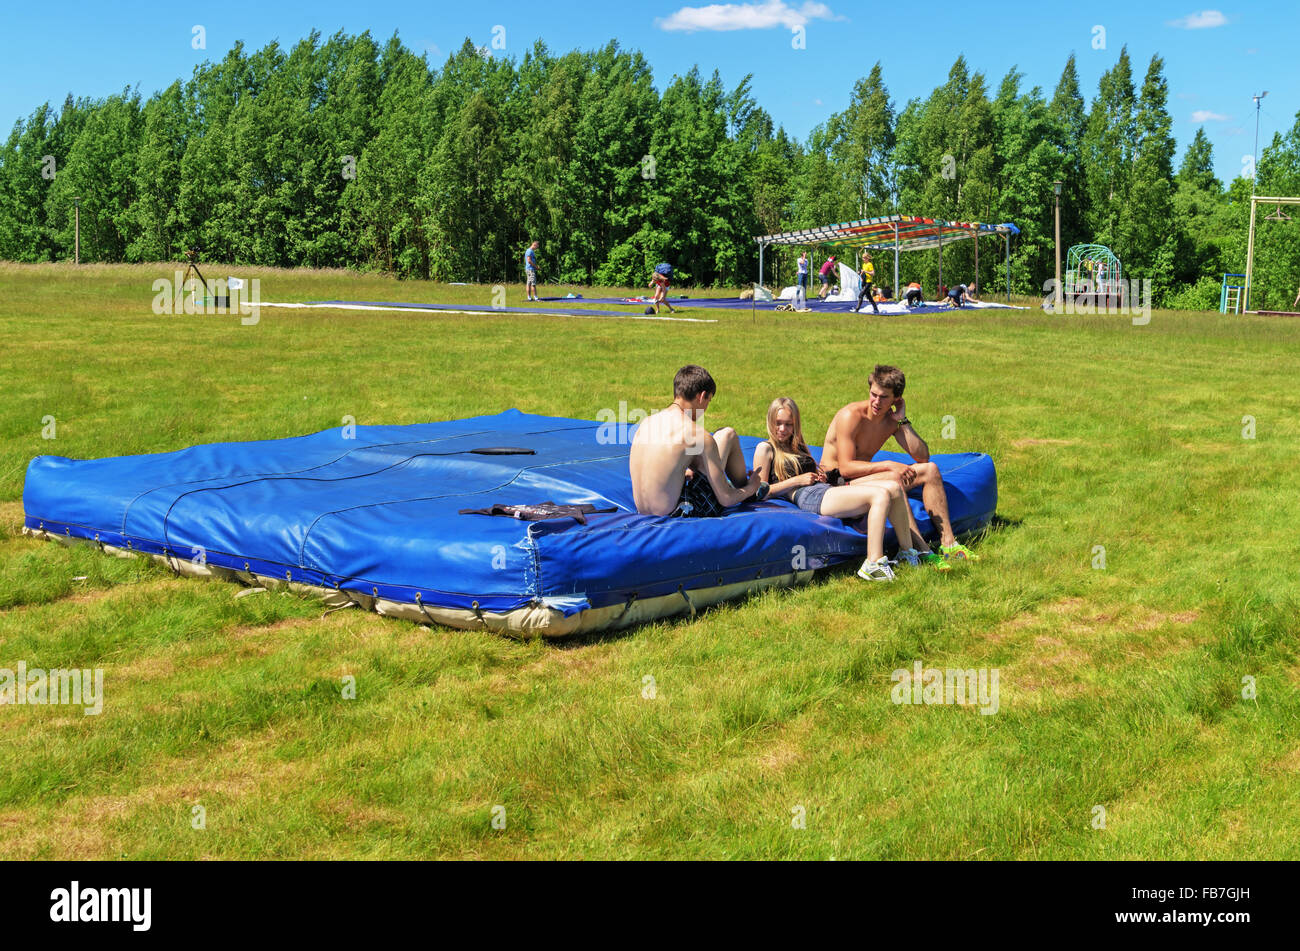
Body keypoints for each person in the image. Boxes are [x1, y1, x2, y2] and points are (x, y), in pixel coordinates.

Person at [819, 364, 980, 564]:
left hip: (864, 479)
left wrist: (902, 420)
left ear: (896, 399)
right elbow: (845, 468)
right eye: (873, 394)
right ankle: (922, 550)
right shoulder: (851, 416)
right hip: (836, 484)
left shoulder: (891, 420)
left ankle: (949, 544)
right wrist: (889, 464)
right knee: (894, 477)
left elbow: (923, 457)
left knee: (930, 470)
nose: (876, 402)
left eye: (884, 397)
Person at [752, 397, 924, 581]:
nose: (783, 429)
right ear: (770, 421)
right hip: (807, 496)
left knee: (894, 488)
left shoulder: (797, 445)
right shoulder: (766, 448)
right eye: (778, 423)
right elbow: (760, 492)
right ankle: (872, 564)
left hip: (823, 489)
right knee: (880, 495)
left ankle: (907, 553)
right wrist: (797, 480)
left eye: (788, 424)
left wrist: (822, 475)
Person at [630, 365, 766, 517]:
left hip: (642, 510)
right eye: (708, 401)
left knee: (712, 447)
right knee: (728, 435)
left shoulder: (646, 423)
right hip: (678, 514)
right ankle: (752, 492)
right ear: (702, 396)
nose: (706, 409)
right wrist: (750, 488)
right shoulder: (696, 434)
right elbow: (726, 499)